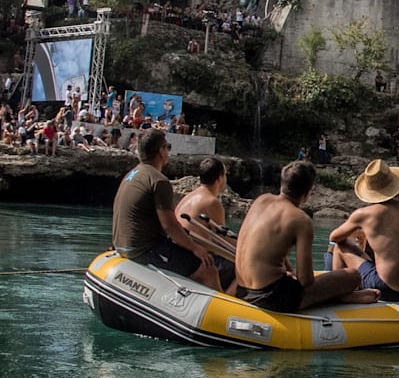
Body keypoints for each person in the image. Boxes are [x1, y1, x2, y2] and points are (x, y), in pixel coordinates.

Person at [235, 161, 377, 312]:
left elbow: (270, 248)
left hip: (242, 289)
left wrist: (289, 271)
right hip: (272, 298)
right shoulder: (301, 220)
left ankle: (338, 296)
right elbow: (305, 281)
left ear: (282, 183)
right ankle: (341, 297)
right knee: (353, 276)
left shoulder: (261, 200)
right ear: (307, 193)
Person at [112, 130, 220, 290]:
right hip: (145, 250)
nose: (168, 151)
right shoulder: (159, 181)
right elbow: (169, 225)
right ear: (161, 151)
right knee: (208, 269)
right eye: (167, 147)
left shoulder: (132, 175)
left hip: (123, 246)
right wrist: (195, 248)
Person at [329, 160, 399, 302]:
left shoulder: (364, 214)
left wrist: (356, 236)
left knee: (340, 247)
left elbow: (334, 237)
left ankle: (339, 295)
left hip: (388, 290)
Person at [175, 157, 236, 292]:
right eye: (225, 175)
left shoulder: (189, 196)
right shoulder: (211, 202)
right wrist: (246, 249)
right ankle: (228, 298)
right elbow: (222, 240)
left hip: (178, 252)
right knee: (242, 266)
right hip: (193, 257)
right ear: (220, 178)